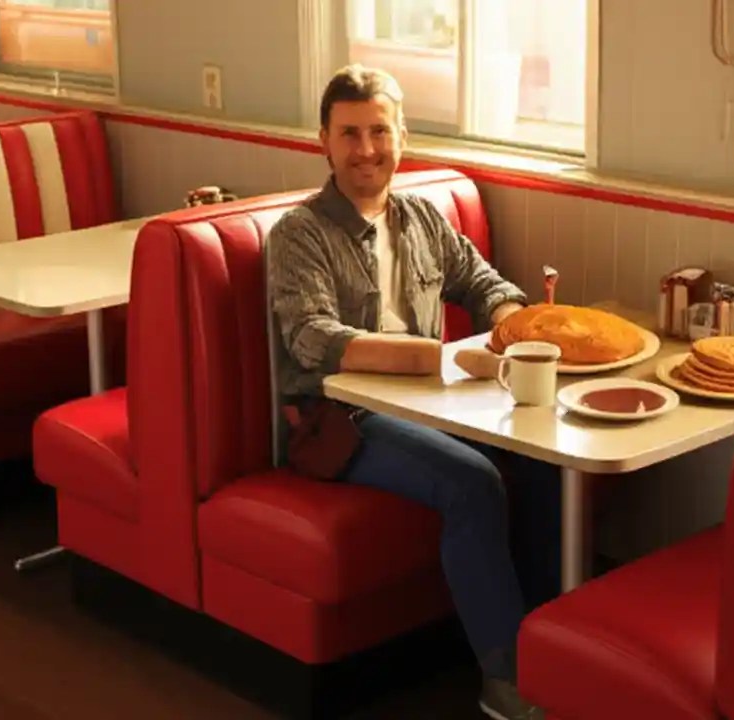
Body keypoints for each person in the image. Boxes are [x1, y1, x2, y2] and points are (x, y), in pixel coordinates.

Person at [266, 64, 557, 720]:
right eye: (349, 134)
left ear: (402, 135)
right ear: (324, 140)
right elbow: (312, 338)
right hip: (335, 421)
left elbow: (485, 284)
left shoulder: (423, 217)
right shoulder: (299, 234)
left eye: (379, 130)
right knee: (473, 483)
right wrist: (443, 359)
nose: (366, 149)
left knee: (547, 461)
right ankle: (505, 682)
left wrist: (516, 328)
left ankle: (548, 650)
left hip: (430, 403)